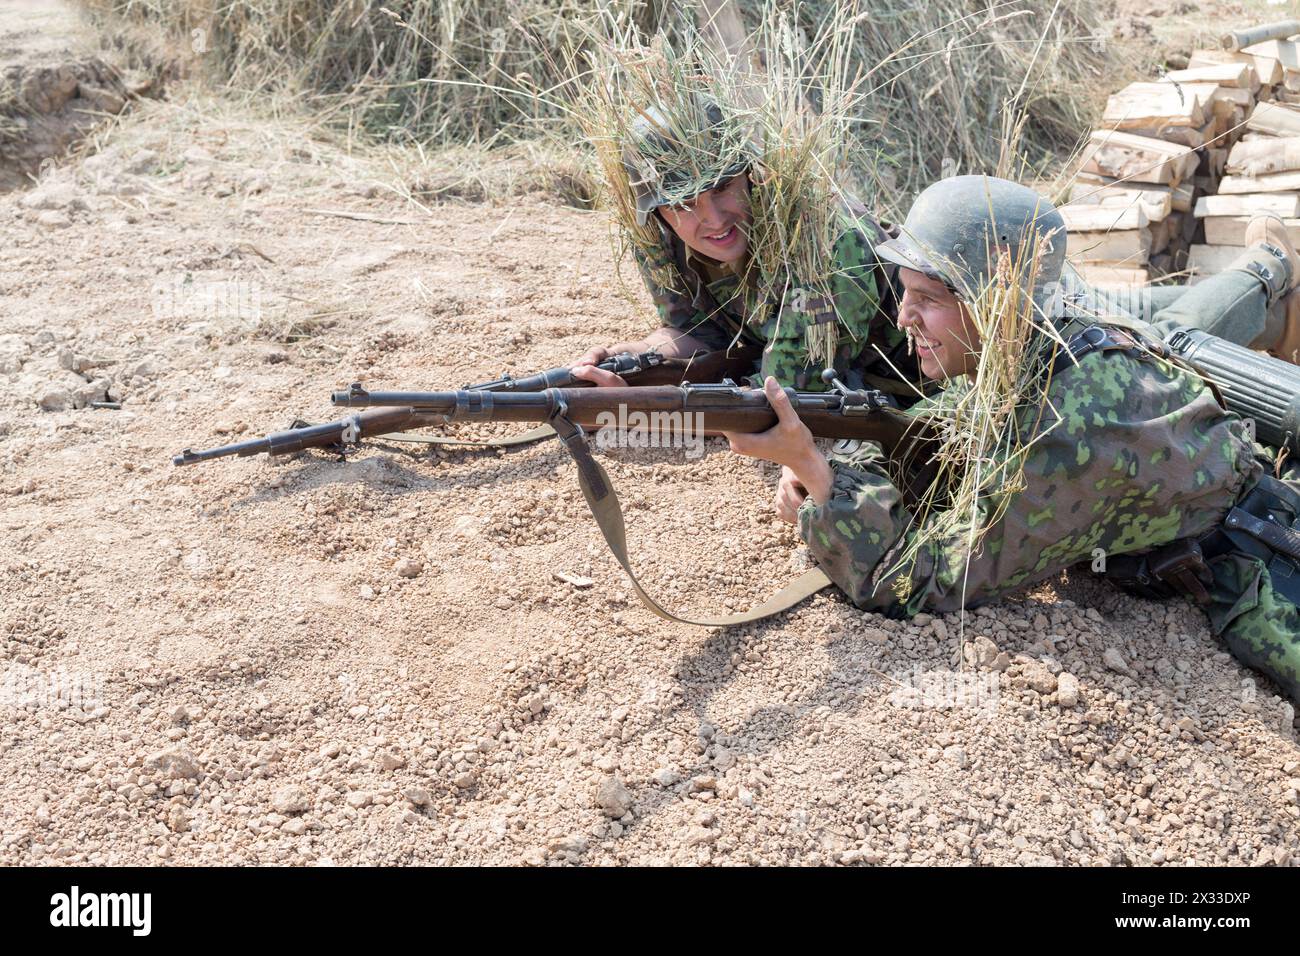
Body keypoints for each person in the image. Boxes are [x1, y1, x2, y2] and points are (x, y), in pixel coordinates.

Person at [723, 175, 1300, 703]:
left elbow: (921, 585)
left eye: (928, 298)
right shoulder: (1028, 350)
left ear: (993, 298)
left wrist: (823, 480)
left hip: (1264, 566)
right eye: (905, 292)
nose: (903, 317)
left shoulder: (1069, 423)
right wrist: (835, 462)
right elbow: (932, 434)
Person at [570, 100, 922, 397]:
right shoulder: (662, 237)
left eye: (722, 187)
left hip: (917, 386)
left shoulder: (822, 238)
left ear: (751, 176)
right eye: (683, 203)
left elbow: (786, 390)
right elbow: (699, 333)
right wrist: (634, 358)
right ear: (659, 213)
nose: (714, 218)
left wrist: (643, 409)